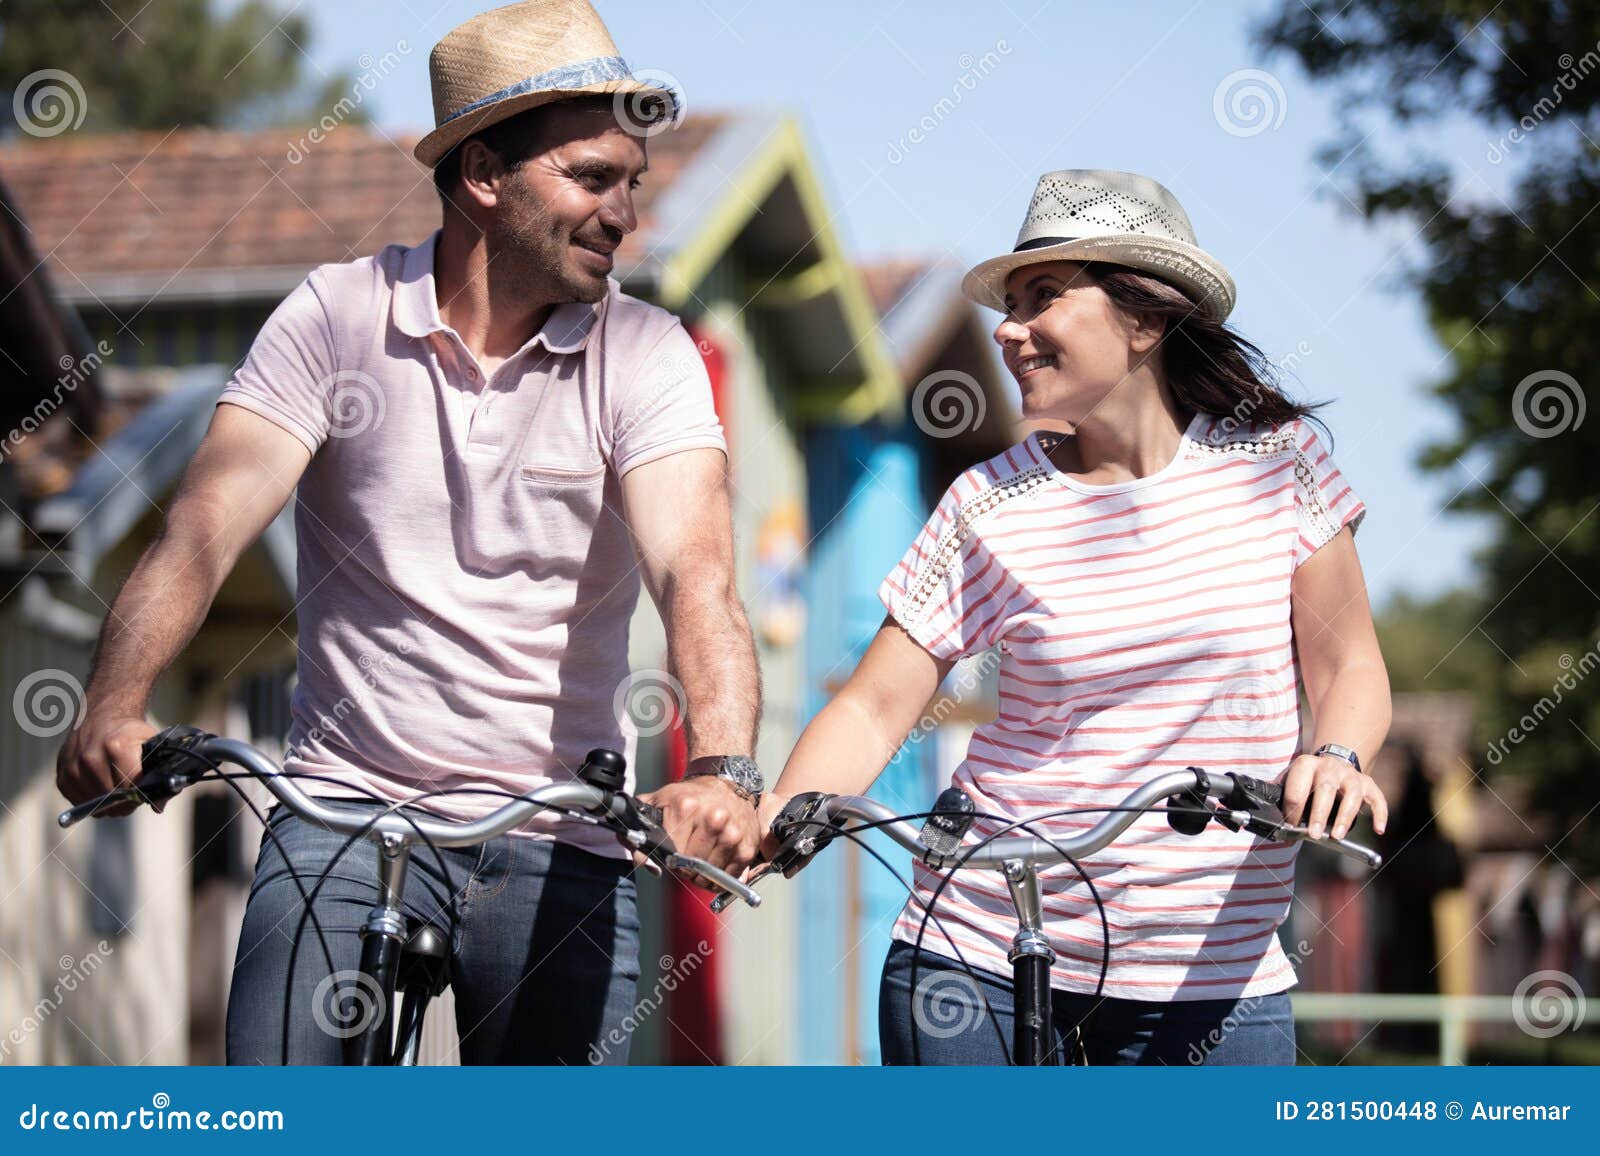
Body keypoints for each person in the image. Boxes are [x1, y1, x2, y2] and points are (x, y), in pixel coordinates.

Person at [56, 0, 764, 1065]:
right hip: (342, 811)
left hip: (559, 827)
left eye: (634, 181)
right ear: (484, 174)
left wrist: (723, 769)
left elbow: (696, 572)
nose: (626, 214)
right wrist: (114, 702)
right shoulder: (335, 316)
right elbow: (203, 527)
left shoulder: (647, 353)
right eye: (592, 178)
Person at [762, 170, 1392, 1065]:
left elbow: (1350, 668)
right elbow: (873, 706)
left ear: (1145, 319)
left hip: (1218, 975)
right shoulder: (989, 504)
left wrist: (1335, 755)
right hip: (977, 949)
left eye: (1043, 299)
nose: (1008, 330)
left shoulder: (1276, 471)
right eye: (1008, 304)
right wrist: (784, 809)